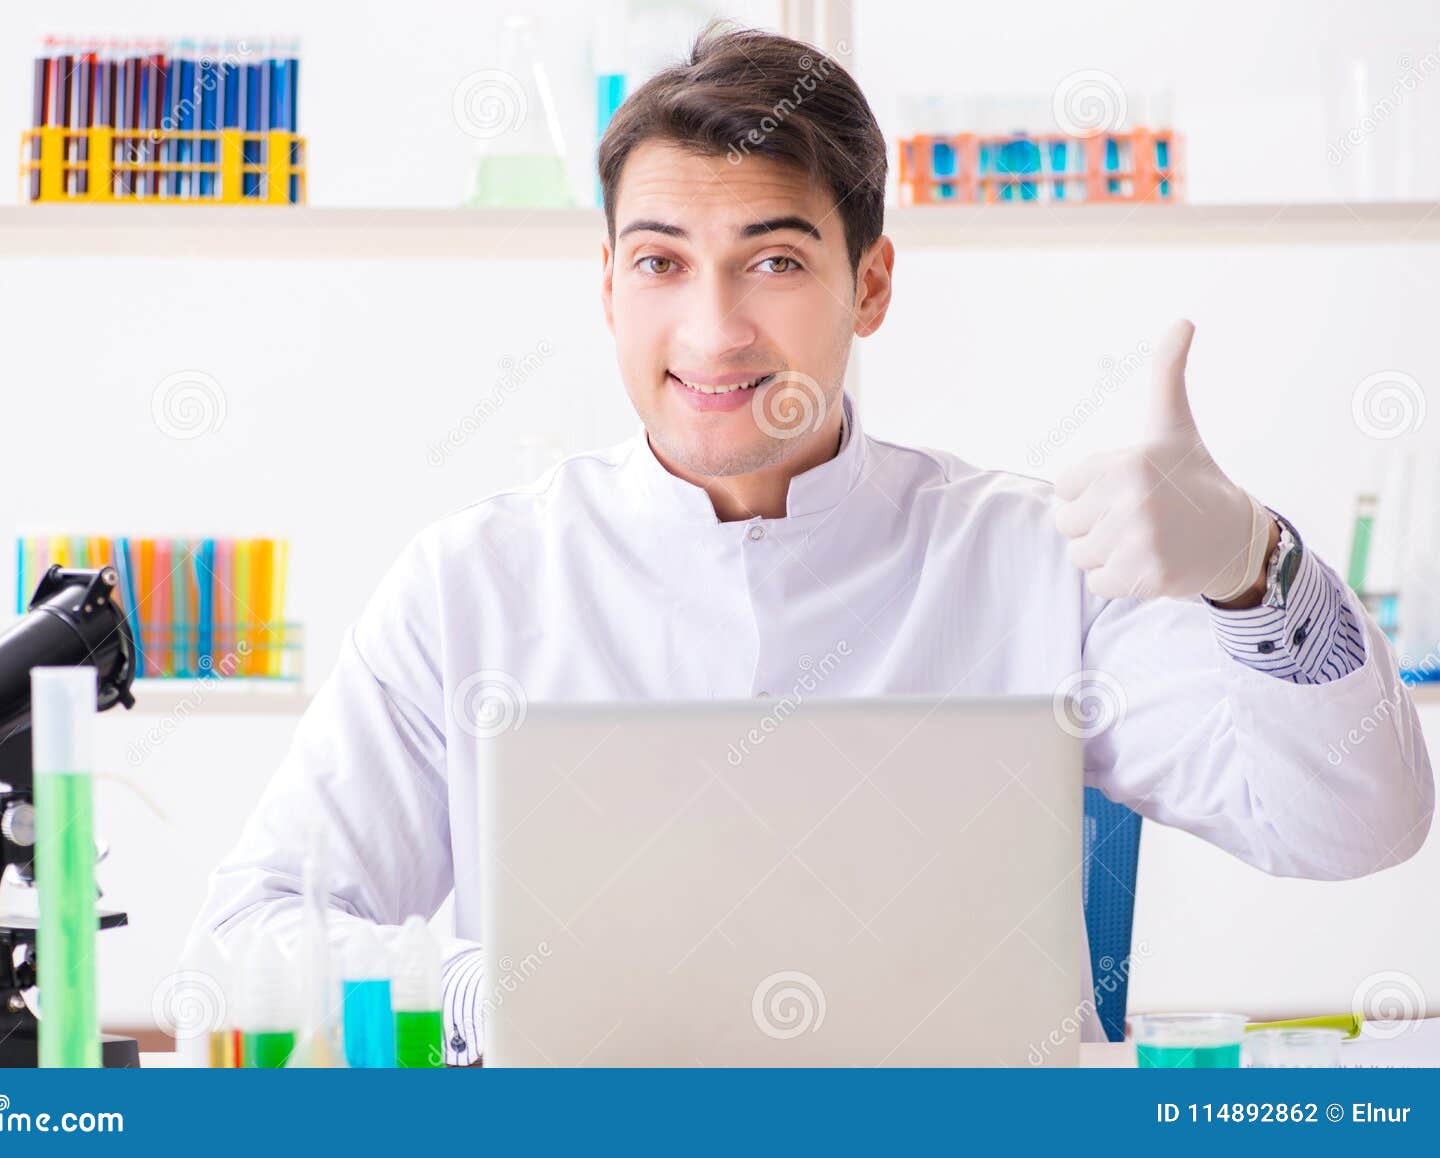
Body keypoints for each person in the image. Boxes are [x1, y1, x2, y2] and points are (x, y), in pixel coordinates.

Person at [192, 26, 1433, 1063]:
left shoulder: (1028, 558)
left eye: (773, 260)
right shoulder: (474, 585)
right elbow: (245, 941)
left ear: (871, 284)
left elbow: (1355, 825)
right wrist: (479, 991)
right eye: (661, 263)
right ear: (608, 290)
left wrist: (1253, 568)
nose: (715, 328)